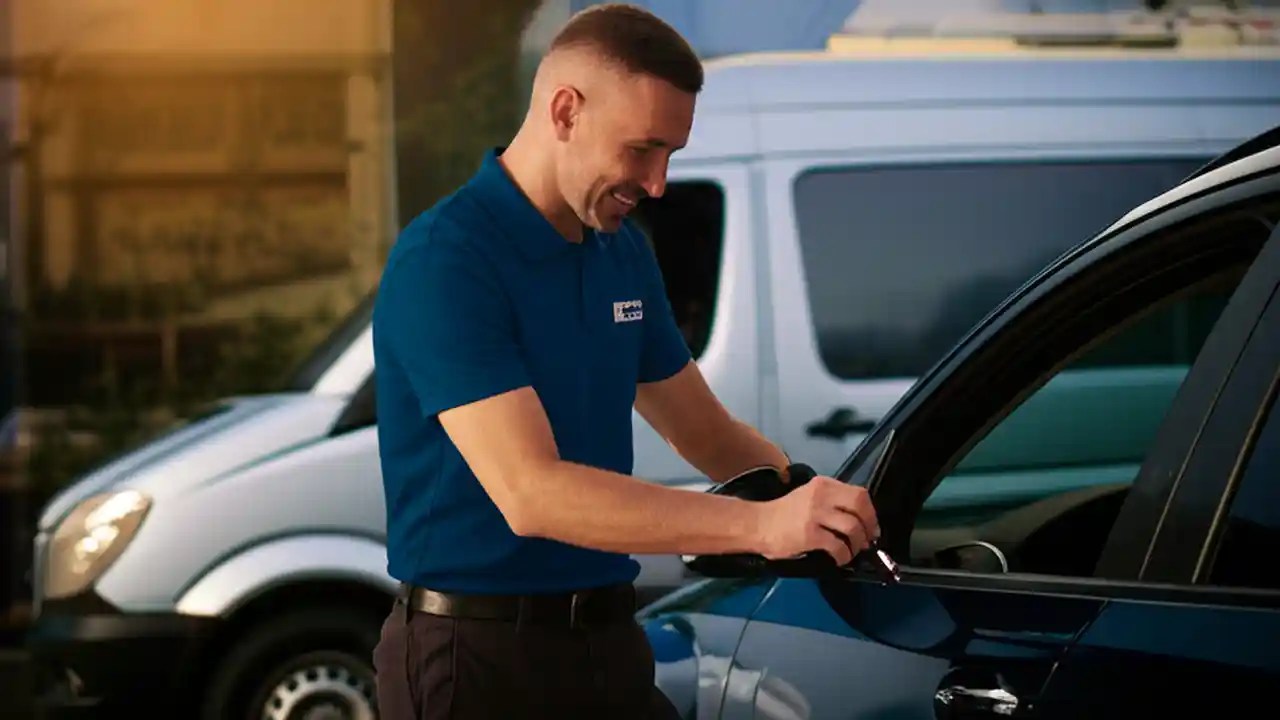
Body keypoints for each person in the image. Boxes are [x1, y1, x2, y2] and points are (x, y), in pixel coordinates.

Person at [370, 4, 880, 718]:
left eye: (671, 153)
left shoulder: (622, 253)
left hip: (608, 643)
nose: (659, 182)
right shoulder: (447, 260)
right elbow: (531, 493)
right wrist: (762, 529)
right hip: (477, 662)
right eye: (643, 149)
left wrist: (812, 504)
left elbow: (707, 435)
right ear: (566, 110)